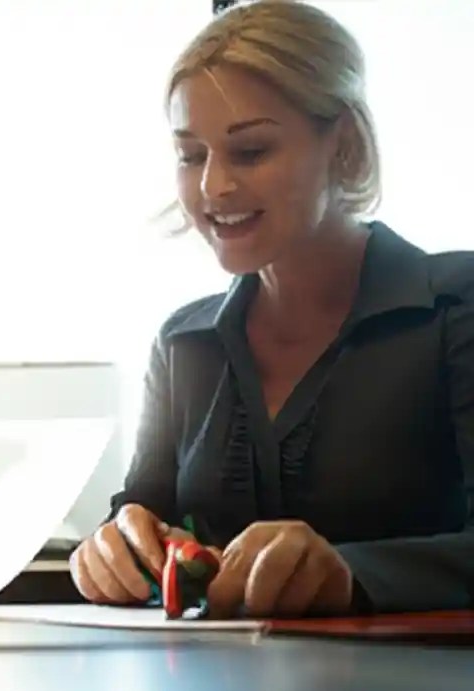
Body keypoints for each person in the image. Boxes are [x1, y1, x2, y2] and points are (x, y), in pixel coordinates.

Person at [70, 0, 473, 618]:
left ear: (343, 145)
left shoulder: (456, 309)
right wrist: (115, 547)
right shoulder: (183, 343)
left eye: (250, 151)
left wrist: (349, 573)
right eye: (191, 155)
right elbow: (142, 516)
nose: (213, 189)